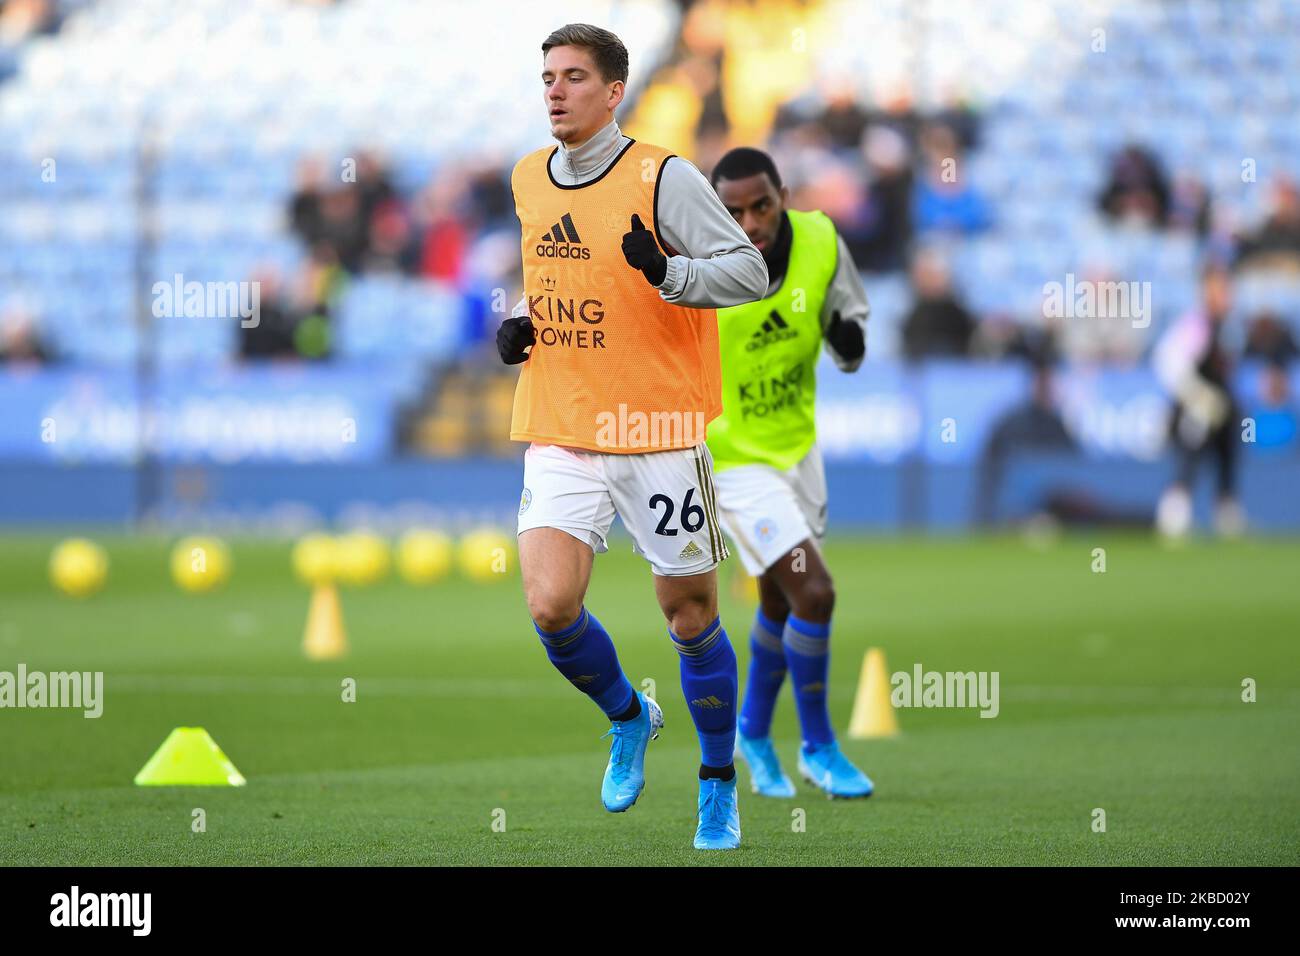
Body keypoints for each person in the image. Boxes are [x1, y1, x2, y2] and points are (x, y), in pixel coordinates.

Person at [495, 24, 768, 849]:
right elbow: (551, 276)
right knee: (550, 605)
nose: (555, 89)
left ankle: (716, 784)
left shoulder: (663, 175)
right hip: (565, 422)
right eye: (547, 76)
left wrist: (669, 272)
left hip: (655, 428)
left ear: (614, 92)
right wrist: (517, 325)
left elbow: (749, 270)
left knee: (688, 617)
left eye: (574, 76)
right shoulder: (527, 178)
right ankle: (628, 715)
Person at [706, 146, 874, 798]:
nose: (750, 222)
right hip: (734, 462)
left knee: (780, 599)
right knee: (816, 592)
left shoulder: (822, 239)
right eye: (734, 211)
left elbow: (847, 318)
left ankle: (752, 729)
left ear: (783, 195)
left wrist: (850, 340)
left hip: (799, 451)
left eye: (762, 206)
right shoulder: (700, 270)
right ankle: (818, 747)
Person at [1154, 264, 1243, 538]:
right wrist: (1197, 395)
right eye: (1218, 289)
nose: (1224, 296)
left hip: (1222, 404)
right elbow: (1168, 361)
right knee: (1191, 453)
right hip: (1196, 405)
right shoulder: (1195, 324)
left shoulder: (1231, 326)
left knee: (1228, 454)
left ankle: (1226, 512)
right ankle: (1175, 513)